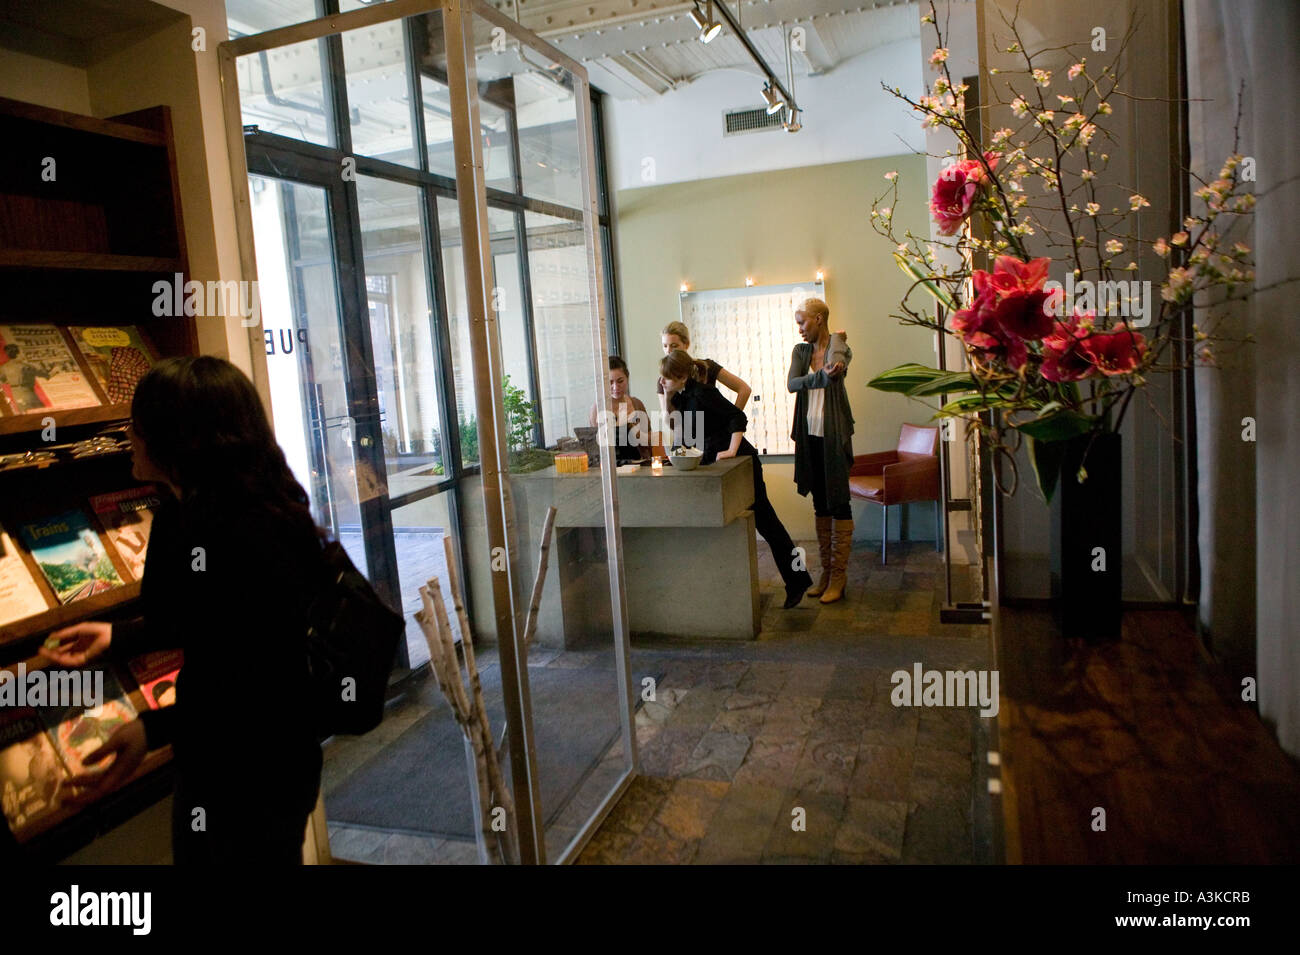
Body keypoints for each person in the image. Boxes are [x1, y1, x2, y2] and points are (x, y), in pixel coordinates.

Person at [40, 356, 325, 864]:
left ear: (177, 439)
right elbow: (195, 622)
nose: (129, 435)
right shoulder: (202, 508)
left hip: (248, 772)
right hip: (260, 760)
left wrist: (152, 729)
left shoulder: (245, 534)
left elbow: (249, 683)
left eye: (138, 426)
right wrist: (118, 637)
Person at [660, 348, 812, 609]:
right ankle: (795, 580)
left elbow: (736, 416)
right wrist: (667, 398)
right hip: (723, 467)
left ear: (683, 376)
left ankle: (797, 580)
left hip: (742, 464)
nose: (662, 381)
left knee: (768, 523)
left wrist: (731, 449)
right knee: (764, 523)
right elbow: (683, 433)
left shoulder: (704, 393)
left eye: (667, 378)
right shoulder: (686, 397)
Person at [787, 297, 856, 603]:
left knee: (839, 501)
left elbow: (839, 358)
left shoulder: (837, 344)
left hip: (833, 435)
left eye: (802, 321)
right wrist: (820, 377)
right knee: (820, 504)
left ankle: (838, 576)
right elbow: (792, 384)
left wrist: (835, 365)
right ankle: (827, 573)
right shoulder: (801, 351)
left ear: (818, 318)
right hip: (809, 436)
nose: (800, 328)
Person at [656, 321, 751, 448]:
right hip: (688, 443)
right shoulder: (665, 381)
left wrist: (728, 424)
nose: (669, 351)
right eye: (665, 346)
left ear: (686, 344)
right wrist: (668, 396)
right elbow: (670, 423)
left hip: (713, 441)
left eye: (674, 345)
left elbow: (744, 389)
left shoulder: (707, 367)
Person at [589, 355, 653, 463]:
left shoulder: (636, 404)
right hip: (611, 467)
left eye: (620, 381)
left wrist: (635, 433)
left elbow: (649, 441)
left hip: (638, 464)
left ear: (627, 378)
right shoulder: (597, 408)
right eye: (610, 382)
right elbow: (595, 448)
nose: (615, 387)